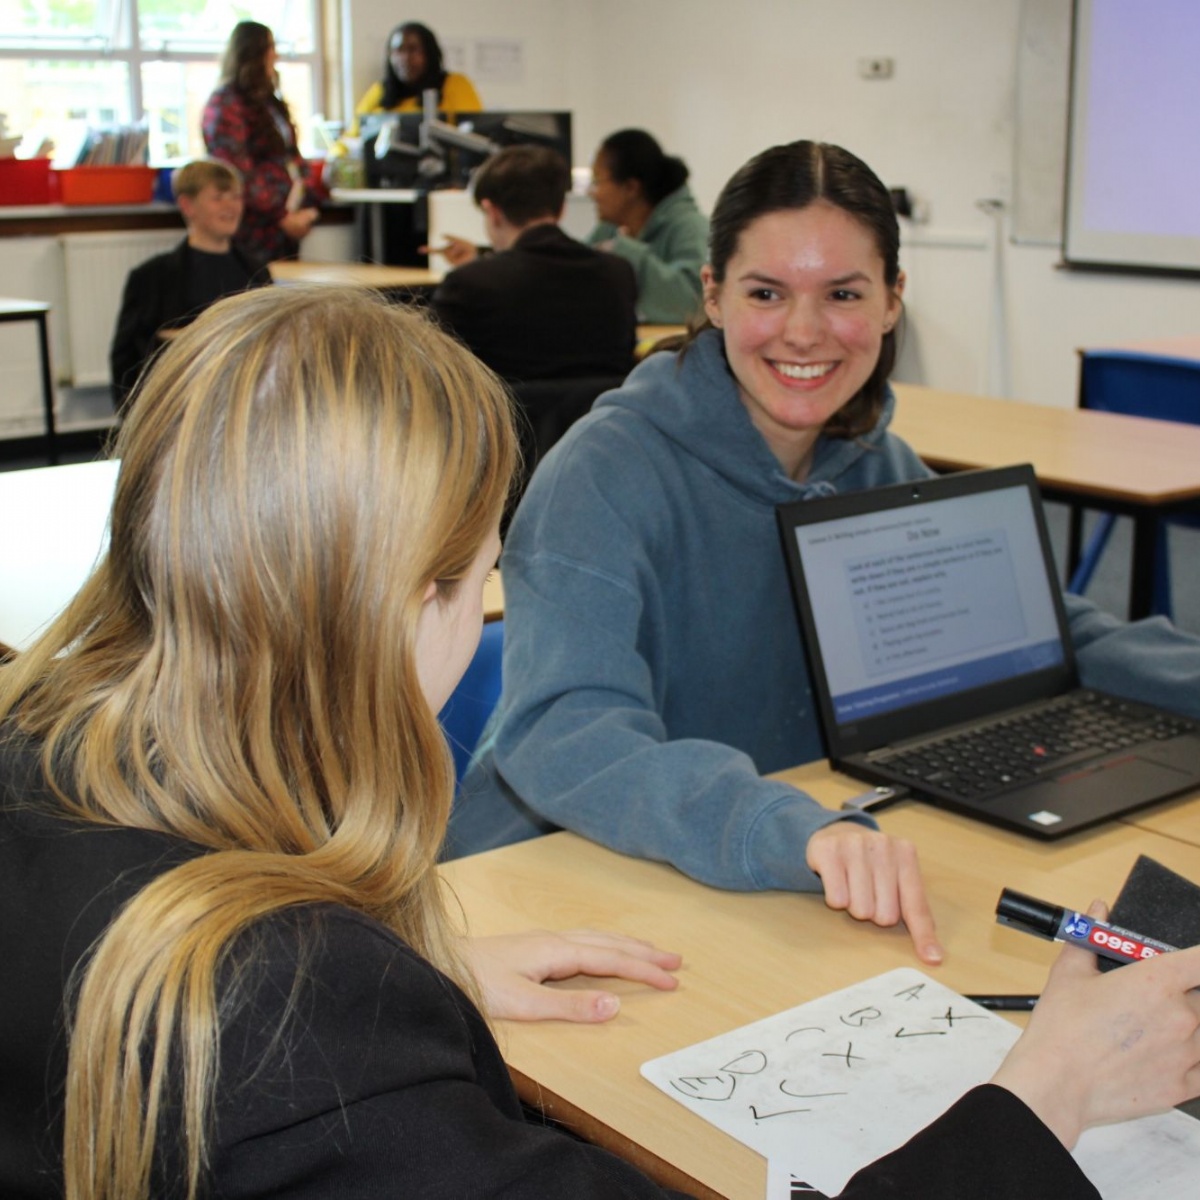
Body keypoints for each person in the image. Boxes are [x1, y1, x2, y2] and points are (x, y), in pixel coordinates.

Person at [2, 290, 1200, 1200]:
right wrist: (1050, 1092)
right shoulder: (297, 1021)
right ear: (398, 604)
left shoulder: (44, 775)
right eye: (480, 578)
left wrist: (426, 978)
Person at [453, 140, 1200, 964]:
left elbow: (1043, 636)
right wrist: (783, 828)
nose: (803, 332)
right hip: (569, 883)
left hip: (799, 873)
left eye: (842, 293)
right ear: (713, 295)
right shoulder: (603, 475)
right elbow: (564, 733)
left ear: (891, 301)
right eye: (766, 293)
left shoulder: (882, 466)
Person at [430, 144, 637, 384]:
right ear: (561, 209)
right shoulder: (619, 274)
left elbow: (430, 374)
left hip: (507, 421)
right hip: (598, 419)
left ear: (493, 212)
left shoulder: (466, 285)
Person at [109, 158, 271, 412]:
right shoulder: (151, 277)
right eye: (218, 197)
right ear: (187, 205)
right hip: (182, 405)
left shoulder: (257, 272)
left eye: (236, 197)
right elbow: (126, 363)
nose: (231, 206)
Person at [202, 20, 324, 263]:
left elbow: (291, 156)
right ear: (252, 53)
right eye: (269, 48)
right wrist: (281, 216)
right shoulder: (226, 104)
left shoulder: (270, 102)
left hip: (288, 224)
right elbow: (236, 172)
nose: (275, 55)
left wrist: (306, 205)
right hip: (254, 231)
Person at [586, 128, 709, 324]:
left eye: (597, 181)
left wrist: (626, 252)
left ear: (630, 187)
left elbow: (692, 304)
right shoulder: (608, 230)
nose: (591, 193)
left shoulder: (690, 228)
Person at [354, 21, 482, 122]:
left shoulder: (455, 84)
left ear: (429, 53)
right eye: (398, 51)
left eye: (413, 49)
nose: (405, 58)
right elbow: (349, 140)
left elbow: (474, 133)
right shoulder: (380, 91)